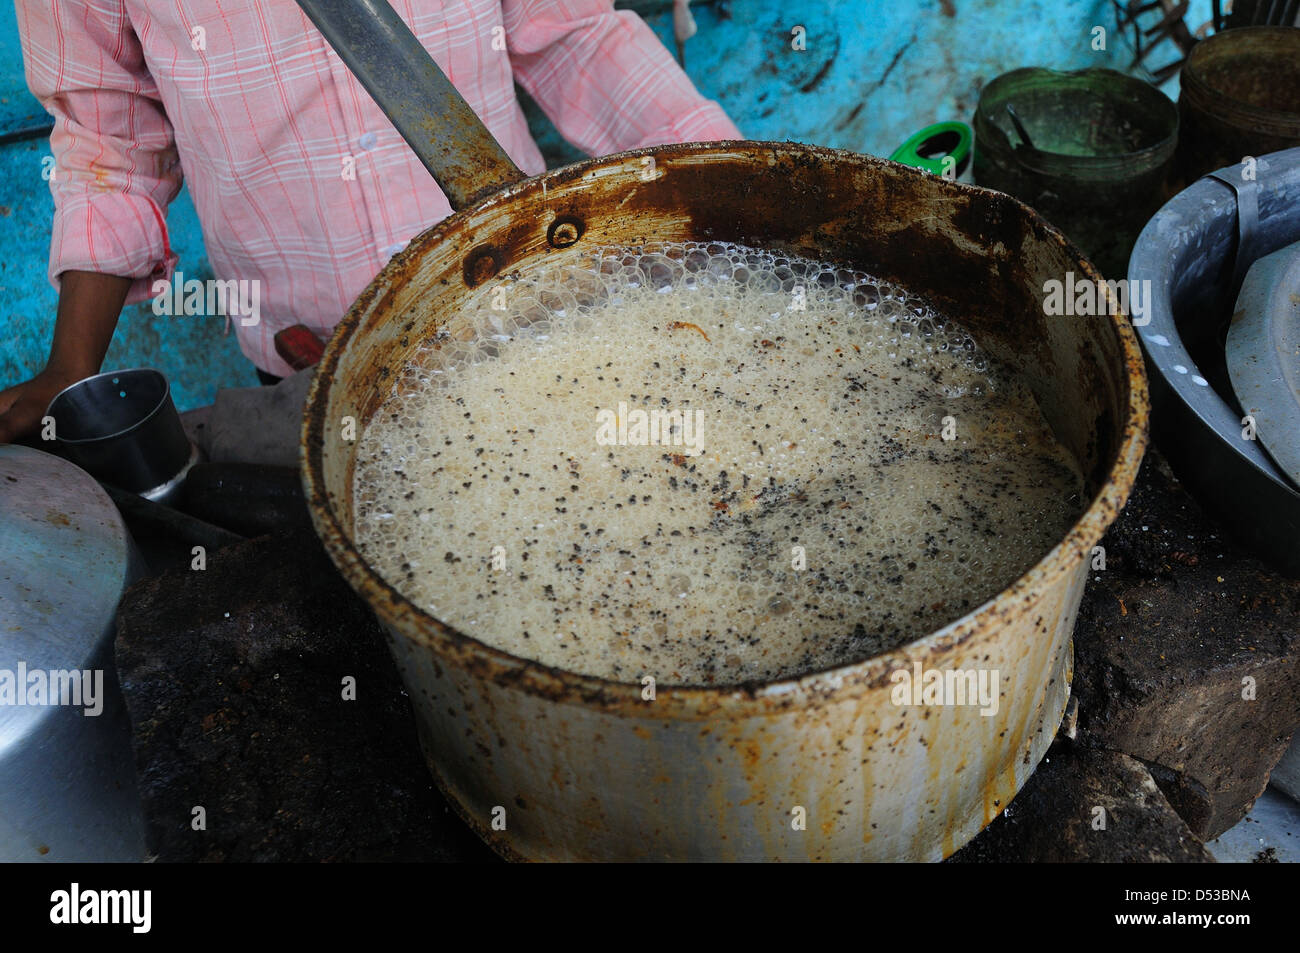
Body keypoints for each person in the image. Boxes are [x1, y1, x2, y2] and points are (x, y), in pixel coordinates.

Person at [0, 0, 740, 442]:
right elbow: (112, 144)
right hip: (314, 363)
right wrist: (71, 370)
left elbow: (572, 34)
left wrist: (737, 191)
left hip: (525, 305)